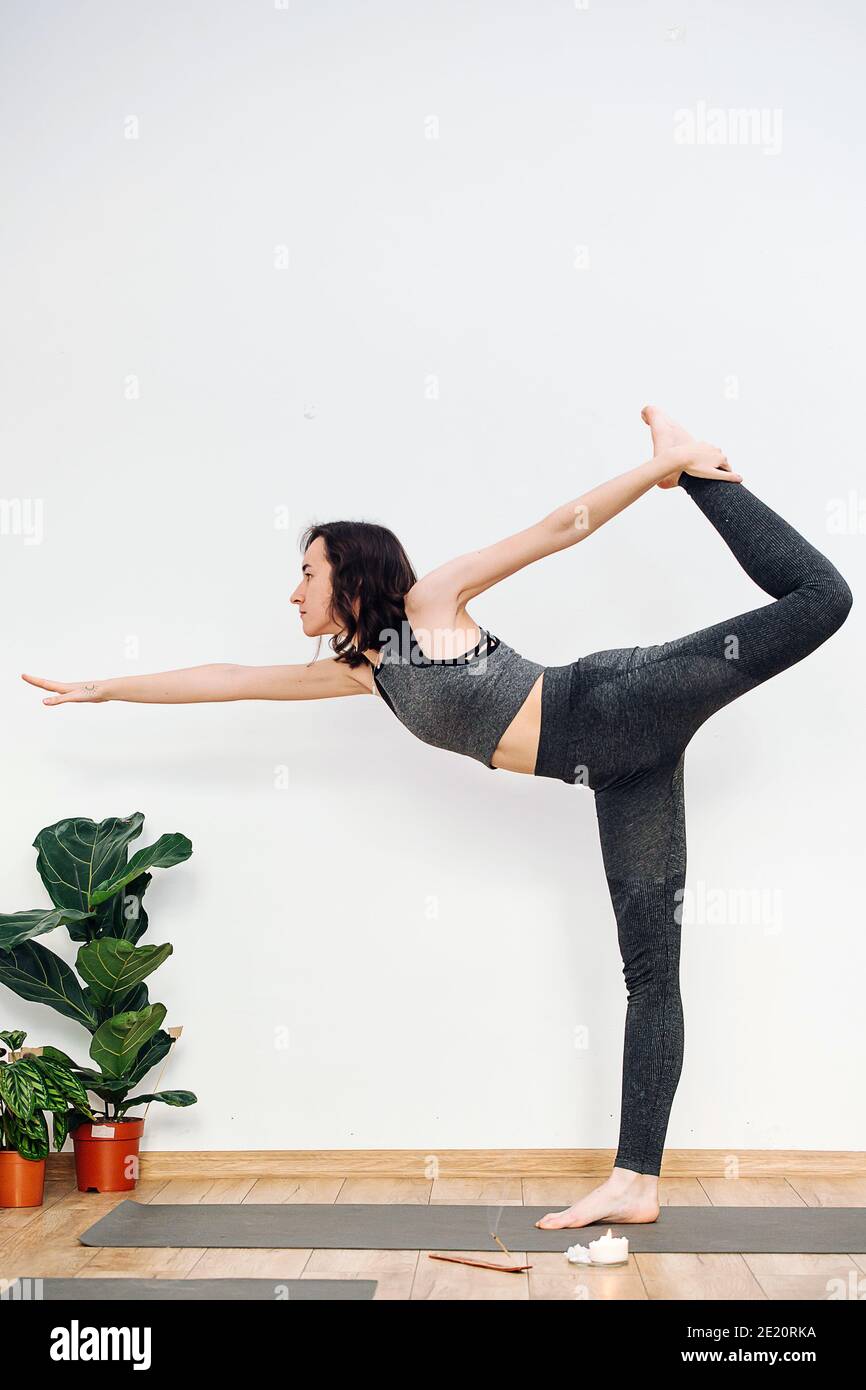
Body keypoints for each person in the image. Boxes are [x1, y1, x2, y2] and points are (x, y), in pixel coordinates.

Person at [22, 406, 853, 1229]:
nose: (294, 591)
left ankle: (694, 465)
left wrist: (660, 471)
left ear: (350, 573)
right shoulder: (364, 675)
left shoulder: (430, 605)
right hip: (621, 773)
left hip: (617, 698)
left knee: (822, 597)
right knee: (650, 977)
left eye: (305, 573)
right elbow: (228, 676)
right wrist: (104, 687)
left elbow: (558, 528)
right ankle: (637, 1181)